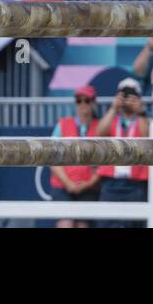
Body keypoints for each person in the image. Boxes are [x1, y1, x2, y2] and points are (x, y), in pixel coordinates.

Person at [95, 78, 150, 226]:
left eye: (133, 95)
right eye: (124, 94)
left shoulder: (143, 119)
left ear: (139, 98)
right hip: (110, 183)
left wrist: (141, 112)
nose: (128, 99)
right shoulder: (111, 118)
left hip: (136, 183)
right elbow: (98, 133)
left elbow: (148, 139)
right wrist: (113, 108)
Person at [50, 85, 101, 226]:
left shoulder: (101, 127)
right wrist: (68, 183)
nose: (83, 104)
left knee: (82, 226)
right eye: (79, 100)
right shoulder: (62, 124)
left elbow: (104, 165)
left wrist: (88, 184)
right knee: (65, 224)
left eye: (87, 100)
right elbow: (52, 158)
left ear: (94, 102)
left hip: (89, 187)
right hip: (62, 185)